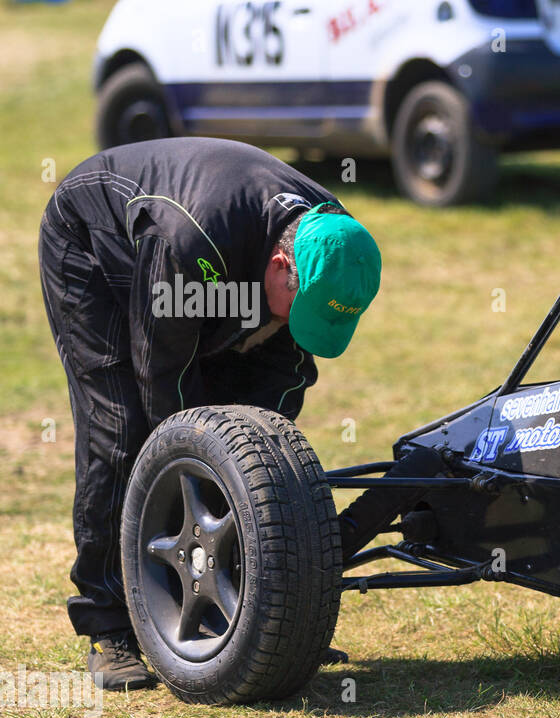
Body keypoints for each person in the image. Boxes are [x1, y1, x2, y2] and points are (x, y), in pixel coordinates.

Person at [39, 137, 381, 690]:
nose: (305, 333)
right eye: (304, 312)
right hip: (97, 248)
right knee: (124, 430)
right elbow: (161, 376)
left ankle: (244, 608)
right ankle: (110, 626)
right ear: (278, 267)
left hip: (225, 272)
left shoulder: (337, 246)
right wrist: (196, 476)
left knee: (249, 435)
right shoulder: (190, 240)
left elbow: (270, 412)